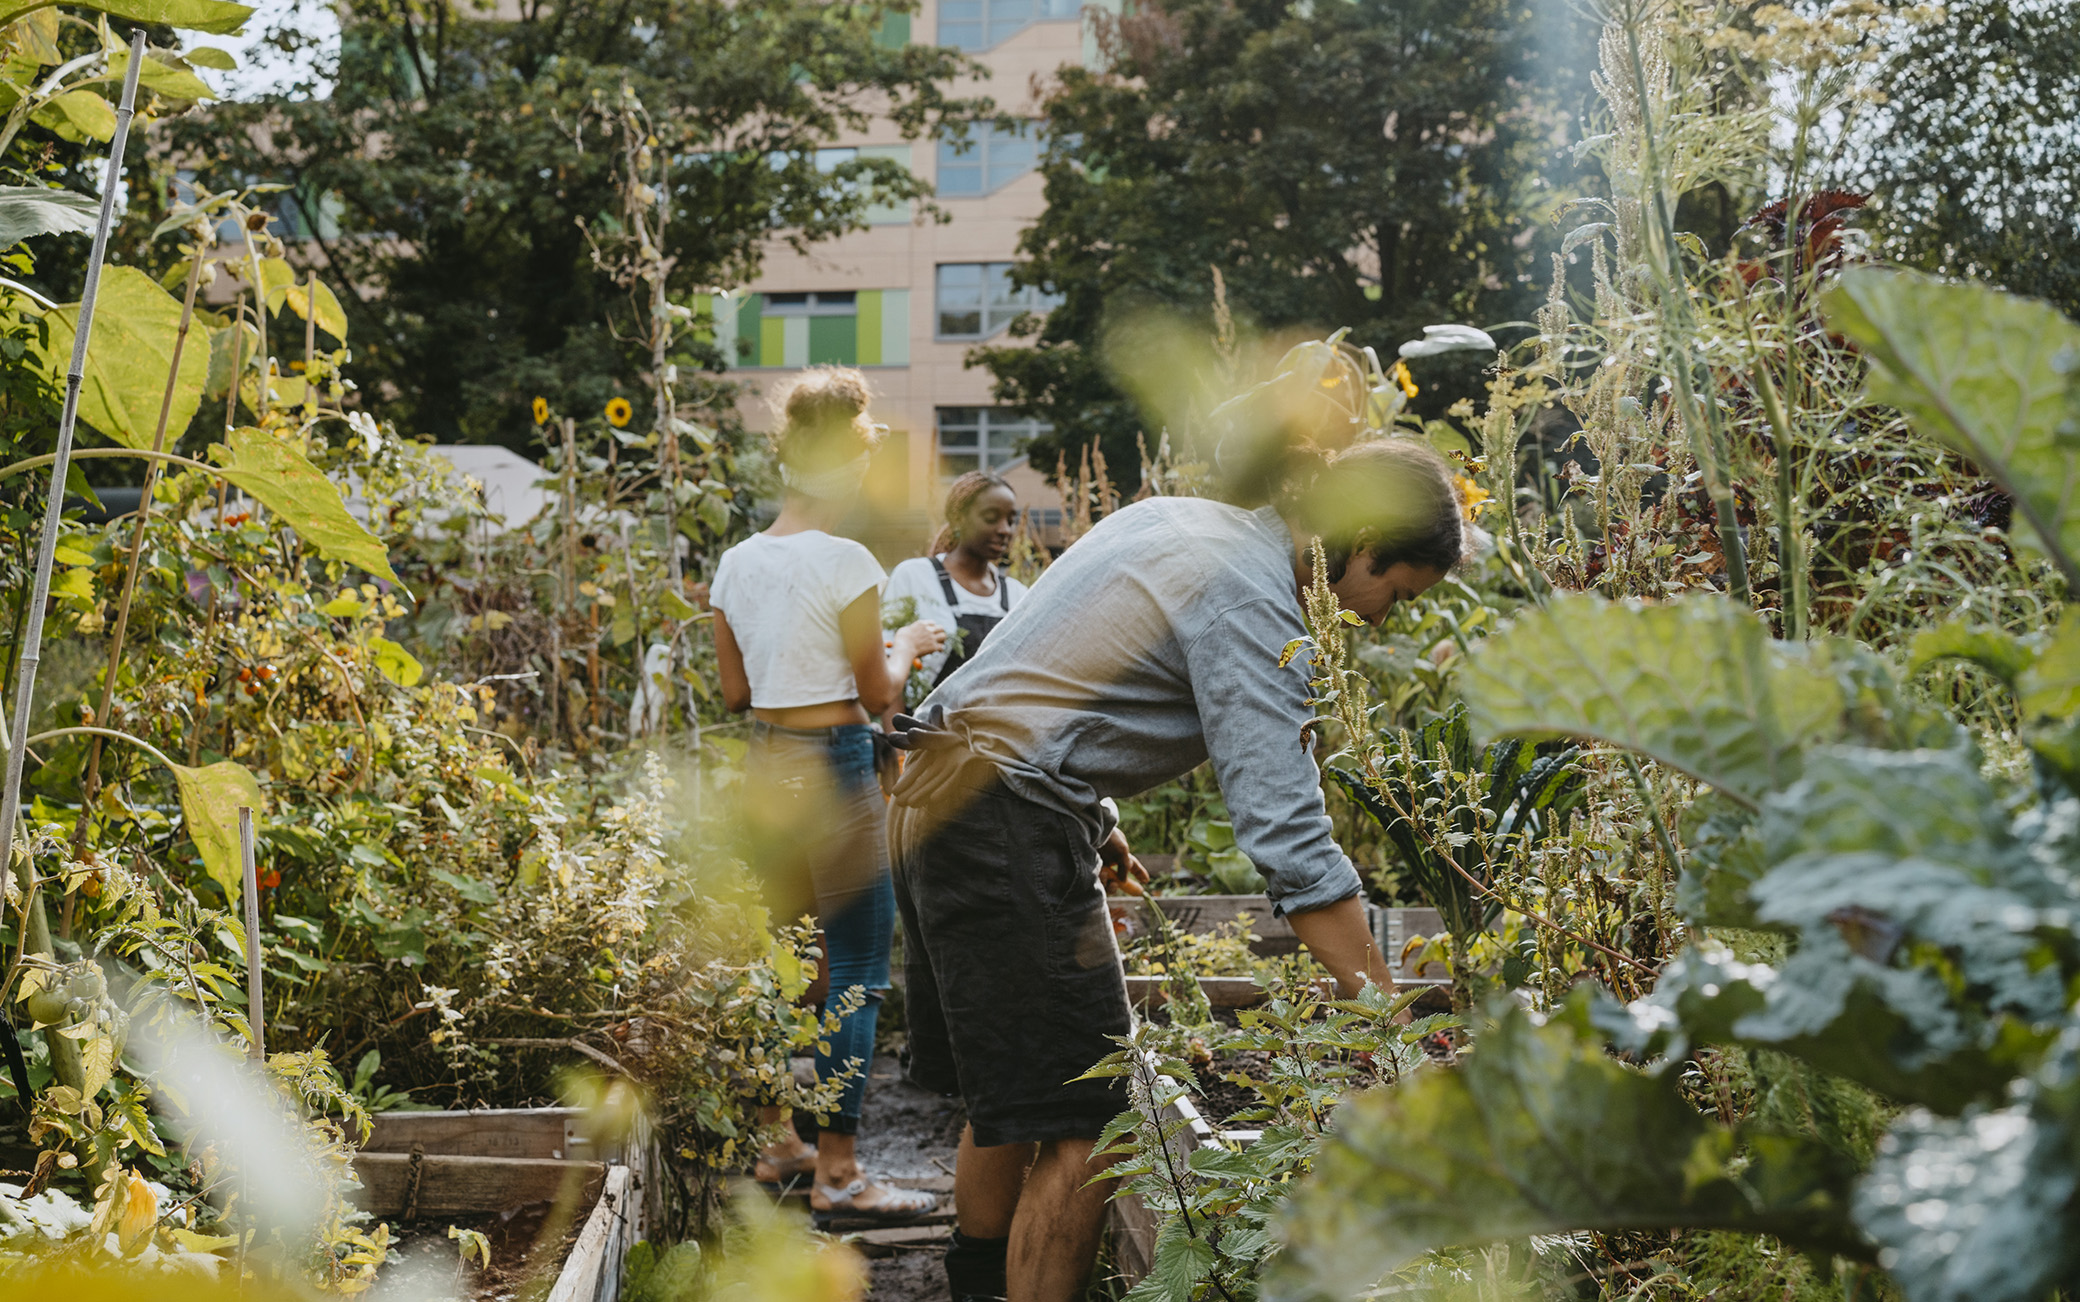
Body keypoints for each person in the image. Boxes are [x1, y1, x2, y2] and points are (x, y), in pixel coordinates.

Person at [887, 439, 1466, 1302]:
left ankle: (978, 1287)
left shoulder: (1183, 522)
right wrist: (1392, 1032)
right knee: (1095, 1120)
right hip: (1001, 823)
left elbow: (1042, 668)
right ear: (1367, 539)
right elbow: (1291, 844)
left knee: (1010, 1097)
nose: (1382, 619)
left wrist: (1097, 821)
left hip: (938, 791)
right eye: (1398, 594)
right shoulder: (1256, 605)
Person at [709, 365, 947, 1225]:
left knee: (783, 966)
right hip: (837, 766)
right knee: (854, 973)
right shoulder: (848, 561)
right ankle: (840, 1173)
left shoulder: (735, 563)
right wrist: (908, 644)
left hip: (767, 764)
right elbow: (880, 693)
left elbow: (736, 693)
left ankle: (779, 1140)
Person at [883, 470, 1030, 693]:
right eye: (991, 518)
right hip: (922, 715)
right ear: (958, 519)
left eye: (1010, 520)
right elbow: (888, 656)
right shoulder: (915, 576)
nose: (1004, 530)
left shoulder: (1018, 595)